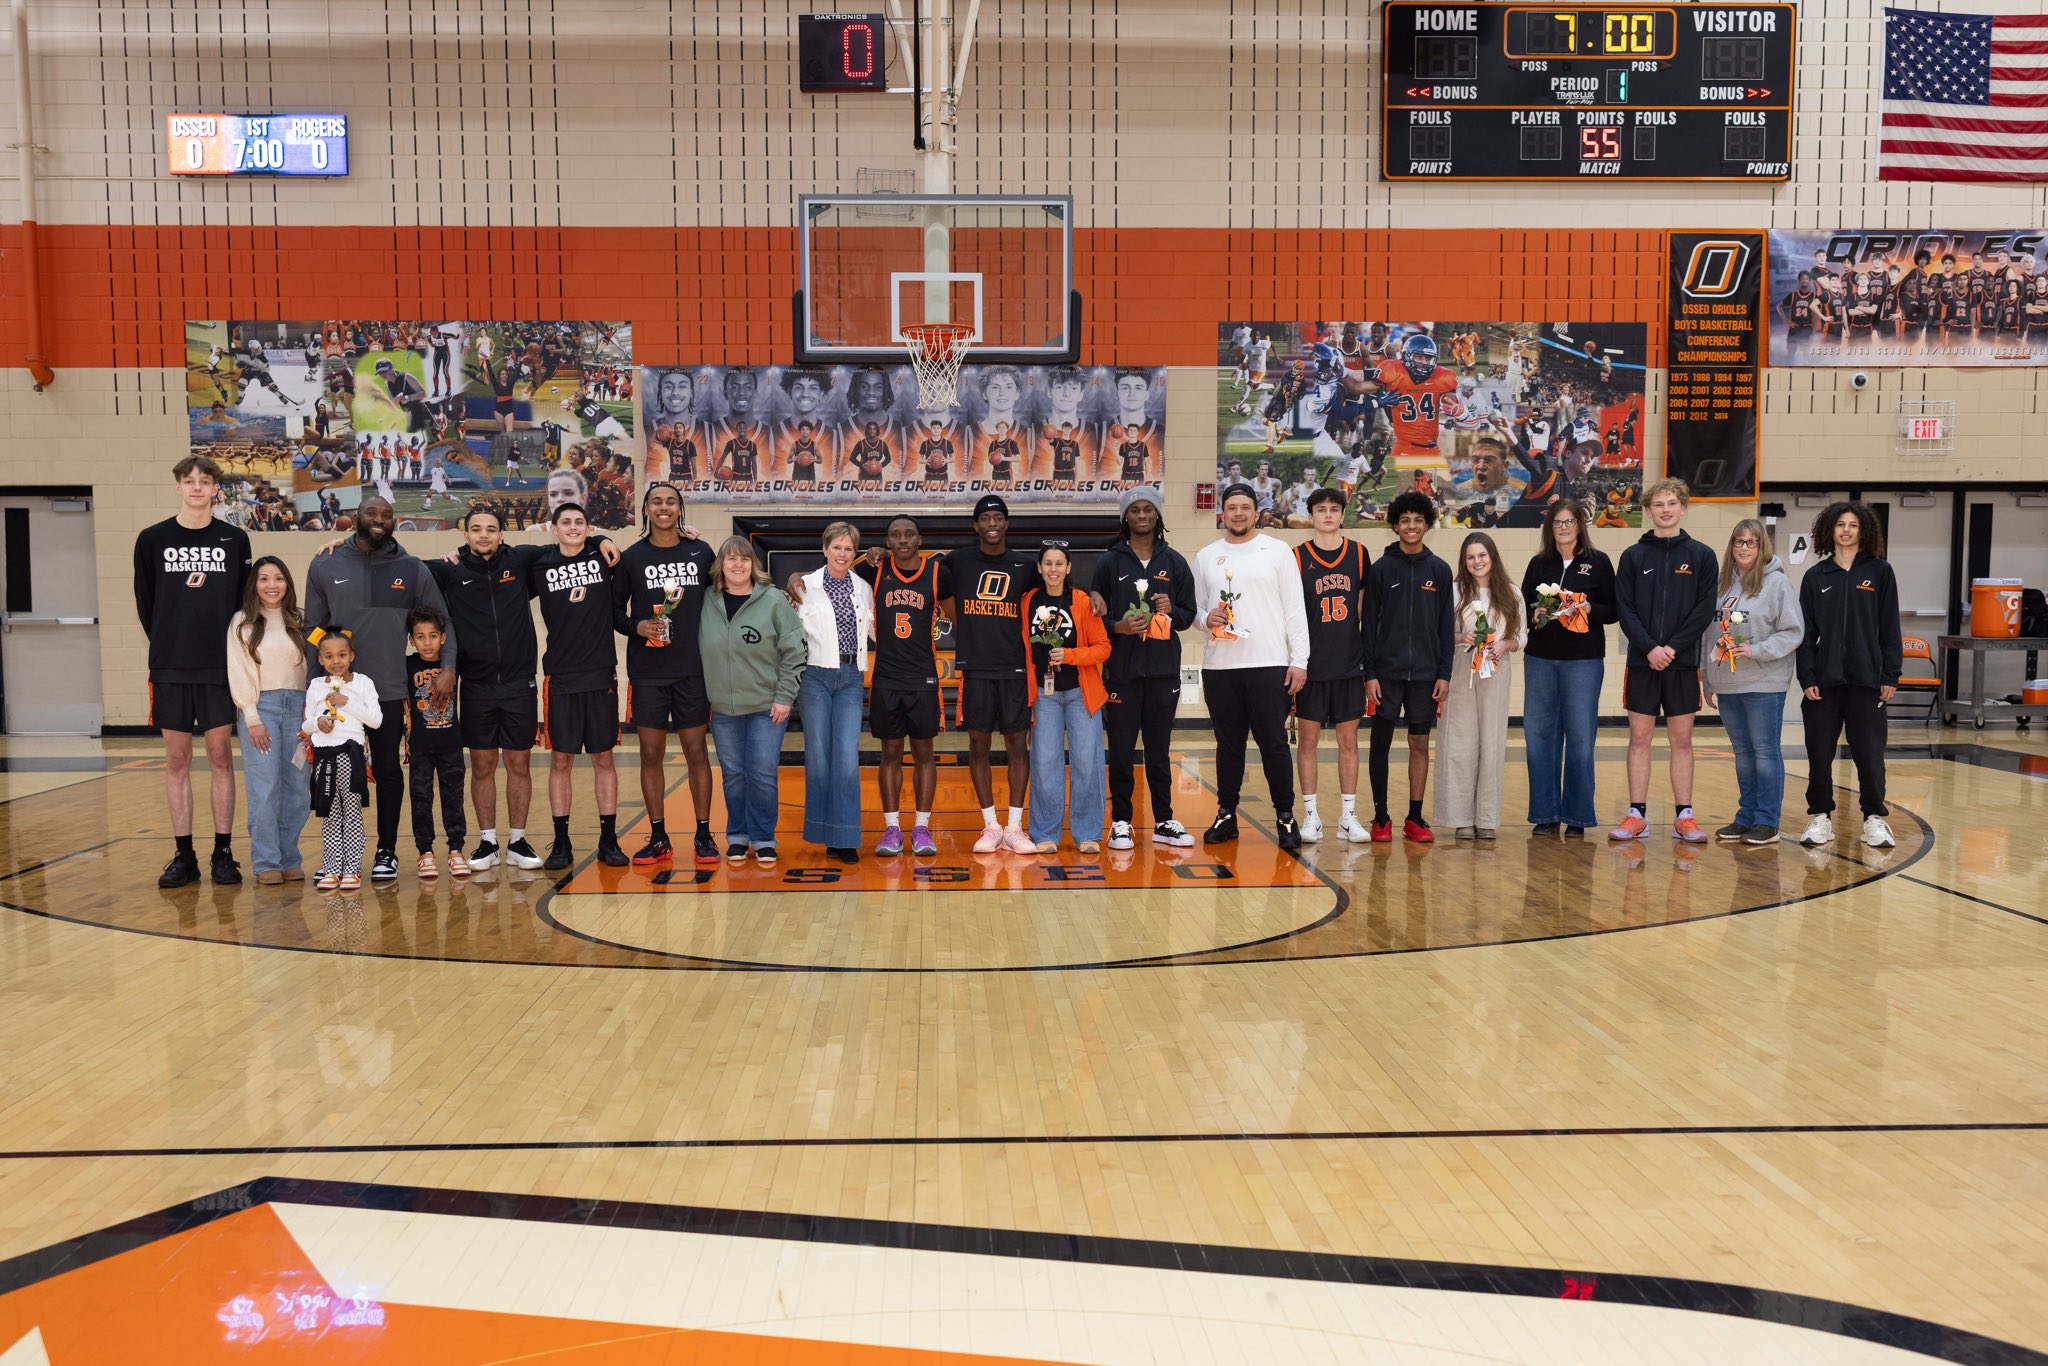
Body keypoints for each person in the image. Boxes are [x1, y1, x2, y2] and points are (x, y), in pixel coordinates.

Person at [302, 495, 459, 881]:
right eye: (371, 513)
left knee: (388, 770)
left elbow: (444, 622)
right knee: (339, 777)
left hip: (389, 691)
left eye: (386, 515)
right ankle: (341, 856)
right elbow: (315, 632)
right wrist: (315, 690)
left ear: (393, 522)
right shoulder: (325, 564)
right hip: (340, 694)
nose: (379, 520)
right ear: (356, 518)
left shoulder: (411, 568)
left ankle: (386, 851)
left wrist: (449, 667)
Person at [135, 454, 254, 887]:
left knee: (221, 758)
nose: (198, 487)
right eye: (190, 481)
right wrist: (171, 641)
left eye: (205, 481)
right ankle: (183, 855)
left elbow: (245, 606)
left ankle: (223, 851)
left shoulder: (234, 539)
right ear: (178, 487)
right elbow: (146, 604)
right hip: (170, 665)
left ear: (215, 489)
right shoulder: (152, 539)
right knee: (177, 760)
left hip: (220, 667)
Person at [1191, 483, 1309, 849]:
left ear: (1256, 512)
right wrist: (1204, 618)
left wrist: (1299, 661)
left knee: (1273, 743)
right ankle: (1227, 814)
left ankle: (1286, 817)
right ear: (1222, 514)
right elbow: (1193, 612)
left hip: (1268, 664)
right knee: (1228, 746)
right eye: (1232, 507)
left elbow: (1294, 609)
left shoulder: (1276, 551)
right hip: (1220, 668)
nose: (1238, 513)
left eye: (1245, 507)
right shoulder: (1206, 556)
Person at [614, 482, 720, 868]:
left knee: (696, 752)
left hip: (692, 670)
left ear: (680, 509)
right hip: (648, 673)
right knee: (650, 754)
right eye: (656, 501)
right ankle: (659, 836)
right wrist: (636, 626)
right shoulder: (631, 557)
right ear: (645, 509)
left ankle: (704, 834)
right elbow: (613, 612)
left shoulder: (699, 552)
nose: (663, 507)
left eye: (671, 501)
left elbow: (724, 594)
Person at [1610, 478, 1719, 843]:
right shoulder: (1633, 556)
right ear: (1649, 509)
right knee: (1639, 738)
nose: (1666, 509)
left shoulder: (1702, 556)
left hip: (1683, 663)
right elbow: (1625, 609)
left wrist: (1671, 648)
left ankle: (1684, 816)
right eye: (1659, 504)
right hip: (1643, 663)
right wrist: (1650, 649)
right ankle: (1636, 814)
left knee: (1682, 740)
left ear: (1683, 508)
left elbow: (1704, 610)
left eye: (1672, 503)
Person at [1091, 486, 1197, 850]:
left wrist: (1173, 610)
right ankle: (1121, 821)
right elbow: (1093, 621)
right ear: (1125, 517)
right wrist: (1117, 627)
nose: (1141, 515)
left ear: (1157, 516)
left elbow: (1188, 615)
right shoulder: (1109, 563)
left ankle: (1163, 820)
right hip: (1122, 671)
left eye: (1147, 510)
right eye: (1134, 510)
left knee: (1158, 750)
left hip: (1164, 671)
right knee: (1120, 750)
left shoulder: (1175, 562)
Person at [1795, 501, 1902, 850]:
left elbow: (1889, 627)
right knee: (1819, 754)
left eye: (1853, 525)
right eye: (1840, 524)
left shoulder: (1880, 572)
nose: (1846, 530)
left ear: (1863, 531)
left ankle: (1874, 819)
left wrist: (1890, 674)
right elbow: (1806, 634)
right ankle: (1820, 817)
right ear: (1830, 530)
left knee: (1870, 756)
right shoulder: (1816, 576)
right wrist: (1807, 676)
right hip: (1823, 683)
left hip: (1866, 681)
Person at [531, 503, 631, 869]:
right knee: (561, 760)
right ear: (554, 528)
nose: (573, 527)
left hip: (601, 673)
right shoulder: (538, 563)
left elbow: (619, 608)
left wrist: (603, 538)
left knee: (604, 758)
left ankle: (609, 840)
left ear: (588, 528)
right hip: (560, 675)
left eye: (580, 522)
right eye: (566, 522)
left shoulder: (606, 560)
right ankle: (561, 843)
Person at [701, 538, 807, 865]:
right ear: (721, 565)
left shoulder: (773, 600)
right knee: (733, 774)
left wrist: (784, 697)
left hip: (767, 706)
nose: (738, 565)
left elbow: (795, 650)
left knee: (761, 773)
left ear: (753, 565)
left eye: (744, 560)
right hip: (723, 709)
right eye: (731, 559)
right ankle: (737, 836)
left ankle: (762, 838)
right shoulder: (706, 600)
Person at [1700, 520, 1803, 845]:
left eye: (1751, 542)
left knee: (1764, 751)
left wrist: (1757, 650)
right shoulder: (1721, 586)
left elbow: (1793, 632)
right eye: (1739, 542)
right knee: (1742, 753)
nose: (1744, 547)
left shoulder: (1777, 585)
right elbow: (1709, 635)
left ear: (1762, 548)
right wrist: (1707, 677)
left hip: (1764, 682)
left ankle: (1767, 821)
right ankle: (1746, 816)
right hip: (1728, 683)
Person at [950, 496, 1042, 855]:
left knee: (1018, 746)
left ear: (1006, 524)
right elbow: (917, 576)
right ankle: (991, 825)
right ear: (975, 526)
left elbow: (1058, 589)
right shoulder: (957, 561)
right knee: (979, 747)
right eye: (985, 517)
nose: (992, 523)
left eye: (998, 517)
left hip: (1016, 669)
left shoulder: (1023, 564)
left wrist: (1092, 593)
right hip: (975, 670)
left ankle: (1015, 827)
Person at [1519, 500, 1616, 837]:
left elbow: (1613, 610)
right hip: (1541, 659)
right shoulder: (1538, 564)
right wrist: (1532, 616)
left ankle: (1577, 816)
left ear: (1580, 524)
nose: (1563, 527)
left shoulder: (1599, 562)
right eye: (1557, 522)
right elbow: (1524, 605)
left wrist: (1591, 607)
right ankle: (1545, 814)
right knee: (1539, 738)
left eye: (1569, 521)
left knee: (1579, 739)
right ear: (1550, 527)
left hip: (1583, 661)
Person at [1362, 489, 1455, 842]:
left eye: (1418, 520)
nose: (1411, 526)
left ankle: (1415, 818)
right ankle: (1381, 817)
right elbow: (1368, 626)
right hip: (1386, 675)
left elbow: (1446, 629)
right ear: (1395, 525)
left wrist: (1443, 674)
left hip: (1425, 677)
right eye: (1405, 521)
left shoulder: (1440, 571)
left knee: (1419, 744)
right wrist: (1369, 673)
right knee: (1380, 745)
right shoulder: (1381, 570)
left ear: (1427, 524)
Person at [857, 517, 952, 858]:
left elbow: (958, 616)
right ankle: (892, 828)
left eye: (909, 534)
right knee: (891, 754)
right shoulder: (875, 569)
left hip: (923, 677)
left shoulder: (937, 572)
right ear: (887, 540)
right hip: (886, 677)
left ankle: (922, 828)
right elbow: (833, 573)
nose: (903, 540)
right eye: (895, 535)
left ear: (920, 538)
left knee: (925, 754)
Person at [793, 523, 875, 861]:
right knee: (819, 756)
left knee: (846, 757)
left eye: (848, 549)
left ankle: (845, 837)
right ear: (825, 549)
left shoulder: (863, 587)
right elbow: (789, 634)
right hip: (814, 677)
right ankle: (824, 831)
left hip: (851, 678)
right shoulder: (803, 587)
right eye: (836, 547)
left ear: (854, 553)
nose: (842, 554)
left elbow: (874, 631)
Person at [1021, 542, 1111, 852]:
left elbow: (1103, 647)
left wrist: (1070, 655)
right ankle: (1045, 834)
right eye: (1048, 563)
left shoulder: (1083, 602)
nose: (1054, 569)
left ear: (1069, 568)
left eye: (1060, 563)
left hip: (1079, 693)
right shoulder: (1028, 602)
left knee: (1087, 762)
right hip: (1044, 695)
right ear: (1039, 568)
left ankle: (1087, 833)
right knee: (1045, 763)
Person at [226, 555, 310, 884]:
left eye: (278, 578)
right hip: (263, 709)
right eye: (264, 579)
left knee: (297, 788)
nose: (272, 585)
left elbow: (314, 668)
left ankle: (289, 857)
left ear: (287, 583)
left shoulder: (302, 621)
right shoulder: (242, 623)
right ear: (254, 585)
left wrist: (313, 712)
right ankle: (266, 862)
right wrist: (251, 716)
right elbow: (239, 670)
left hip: (300, 712)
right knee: (265, 788)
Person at [1436, 532, 1524, 839]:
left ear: (1493, 557)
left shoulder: (1511, 592)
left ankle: (1486, 818)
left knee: (1491, 742)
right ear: (1464, 560)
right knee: (1460, 743)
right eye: (1471, 557)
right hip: (1461, 670)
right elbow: (1438, 632)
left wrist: (1506, 644)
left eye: (1482, 555)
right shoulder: (1454, 591)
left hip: (1496, 671)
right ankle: (1461, 817)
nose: (1477, 562)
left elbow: (1522, 636)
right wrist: (1461, 638)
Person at [303, 629, 382, 892]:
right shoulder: (316, 686)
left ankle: (352, 869)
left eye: (341, 654)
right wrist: (318, 722)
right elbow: (306, 723)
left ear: (352, 655)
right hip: (324, 758)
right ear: (321, 659)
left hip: (351, 755)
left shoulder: (362, 683)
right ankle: (332, 867)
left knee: (352, 813)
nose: (336, 661)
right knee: (330, 814)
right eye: (329, 656)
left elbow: (376, 720)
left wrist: (346, 702)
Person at [403, 605, 468, 877]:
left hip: (451, 743)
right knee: (421, 798)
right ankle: (425, 852)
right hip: (420, 747)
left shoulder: (452, 665)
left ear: (443, 638)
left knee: (453, 797)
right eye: (420, 637)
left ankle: (456, 849)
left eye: (432, 636)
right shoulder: (406, 665)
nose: (427, 642)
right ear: (411, 640)